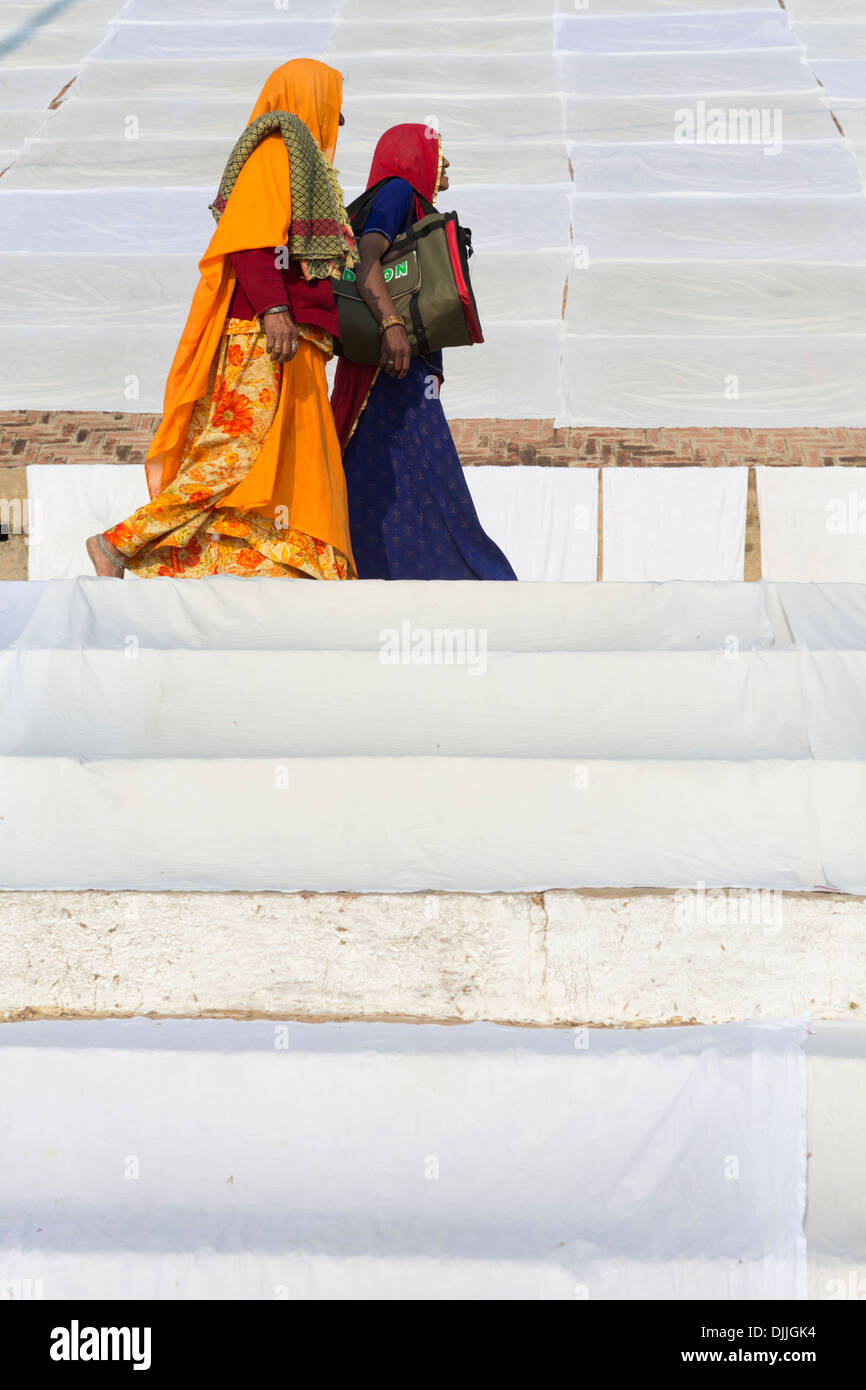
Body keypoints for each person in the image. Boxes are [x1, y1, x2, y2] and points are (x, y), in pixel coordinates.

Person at [87, 58, 358, 580]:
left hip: (293, 337)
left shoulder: (303, 166)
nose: (339, 122)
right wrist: (274, 308)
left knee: (284, 459)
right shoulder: (277, 153)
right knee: (234, 452)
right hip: (264, 334)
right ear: (312, 100)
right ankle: (119, 542)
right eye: (336, 107)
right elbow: (250, 242)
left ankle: (266, 562)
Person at [330, 124, 517, 581]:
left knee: (388, 480)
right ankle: (485, 580)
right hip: (390, 371)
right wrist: (393, 324)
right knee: (433, 478)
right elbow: (366, 258)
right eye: (439, 153)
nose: (445, 163)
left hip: (402, 369)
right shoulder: (396, 192)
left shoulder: (411, 203)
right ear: (412, 156)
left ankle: (378, 576)